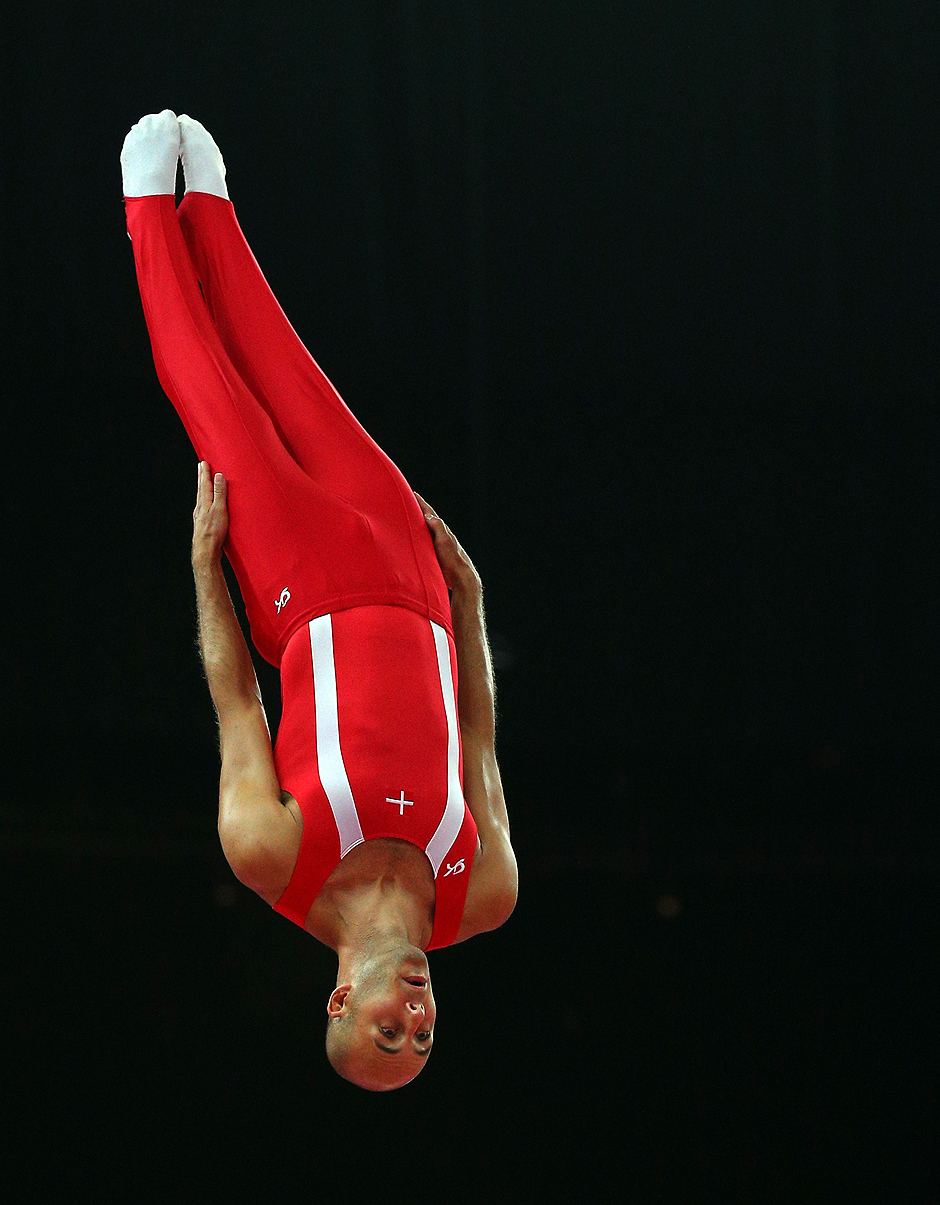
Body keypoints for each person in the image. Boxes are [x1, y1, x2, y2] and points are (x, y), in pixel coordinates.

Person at [121, 111, 517, 1091]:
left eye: (390, 1034)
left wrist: (206, 566)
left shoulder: (273, 855)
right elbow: (475, 739)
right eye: (424, 1039)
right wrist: (466, 602)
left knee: (214, 395)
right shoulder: (484, 893)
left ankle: (145, 208)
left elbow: (235, 702)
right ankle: (209, 204)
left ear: (340, 998)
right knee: (293, 377)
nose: (416, 1020)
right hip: (414, 587)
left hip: (297, 589)